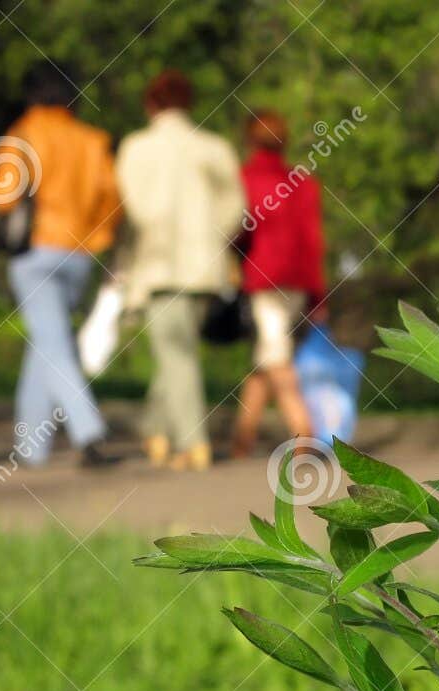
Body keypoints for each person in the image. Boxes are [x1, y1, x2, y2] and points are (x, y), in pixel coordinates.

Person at [0, 61, 122, 467]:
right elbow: (112, 200)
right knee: (46, 343)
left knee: (53, 345)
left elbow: (1, 198)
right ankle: (30, 448)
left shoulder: (23, 134)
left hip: (35, 254)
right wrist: (94, 238)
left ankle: (89, 432)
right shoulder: (92, 139)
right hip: (79, 254)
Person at [115, 69, 245, 471]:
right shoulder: (214, 147)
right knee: (179, 353)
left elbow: (134, 210)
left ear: (150, 104)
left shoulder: (136, 147)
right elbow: (235, 210)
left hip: (158, 267)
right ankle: (157, 431)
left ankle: (194, 443)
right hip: (205, 269)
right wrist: (212, 239)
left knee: (176, 355)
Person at [230, 109, 324, 459]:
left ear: (249, 140)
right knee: (267, 357)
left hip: (262, 278)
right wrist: (318, 293)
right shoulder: (304, 183)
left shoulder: (243, 179)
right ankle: (242, 439)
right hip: (297, 280)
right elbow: (314, 241)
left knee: (275, 355)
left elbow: (237, 229)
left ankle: (304, 434)